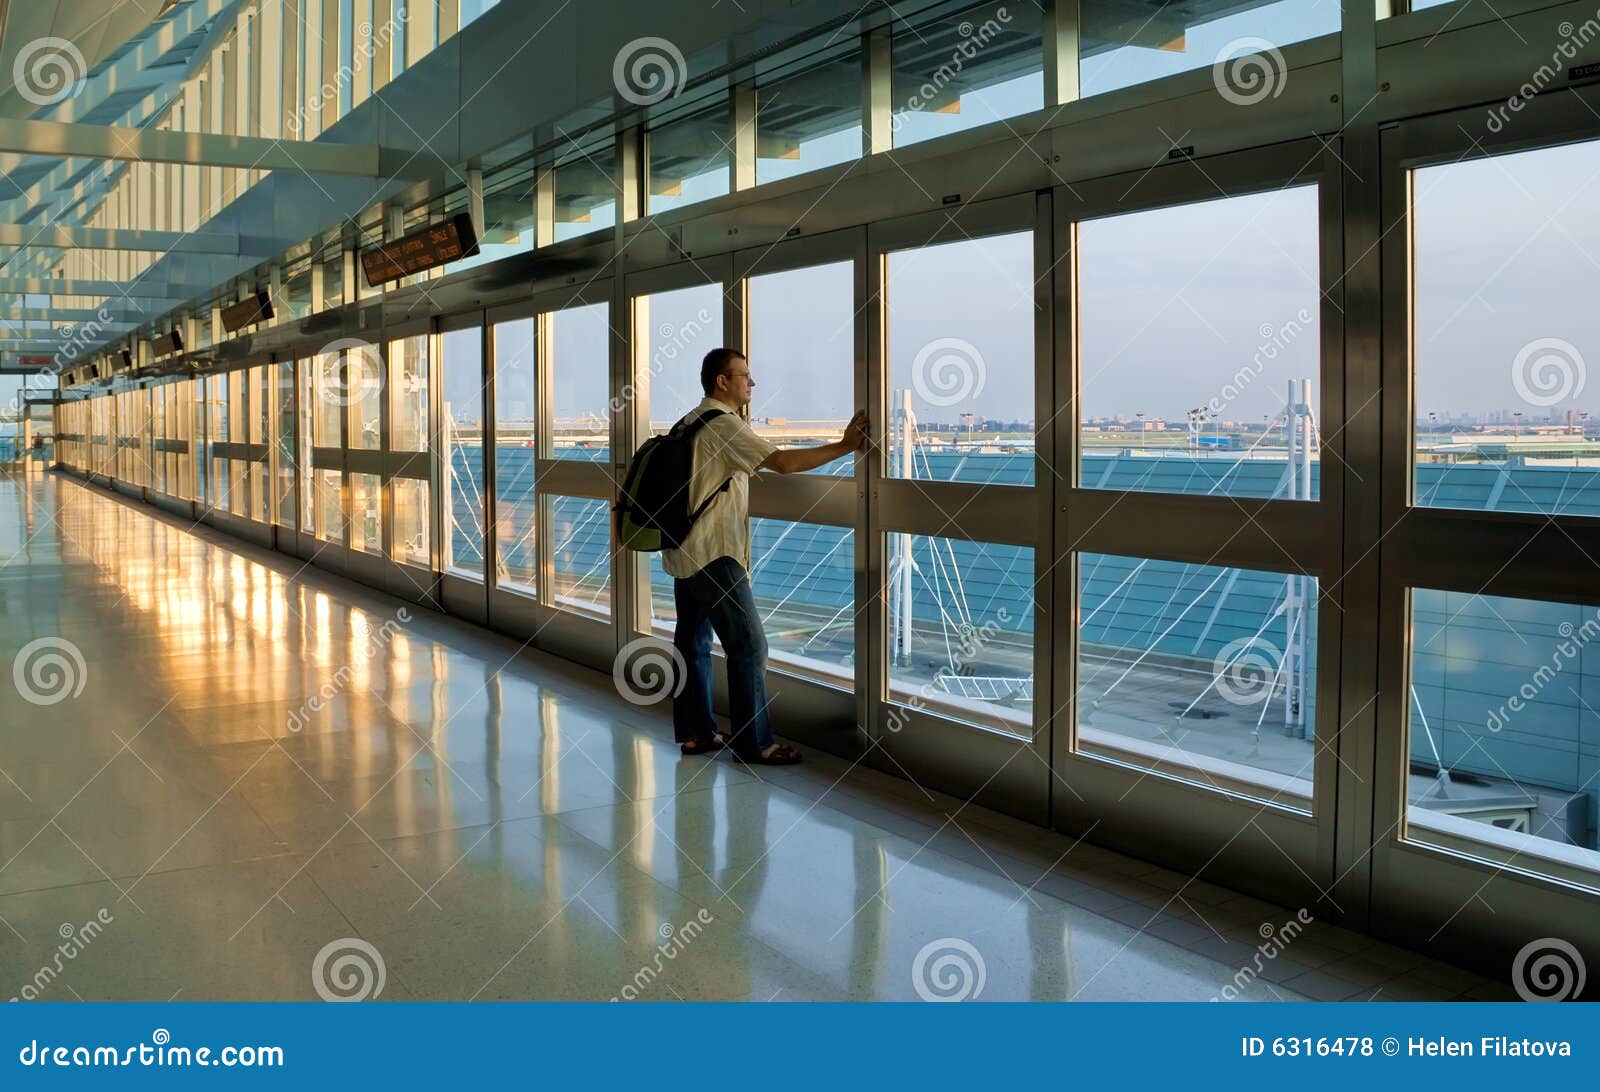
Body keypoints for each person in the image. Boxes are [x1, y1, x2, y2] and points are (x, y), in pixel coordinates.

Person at [667, 347, 867, 764]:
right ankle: (755, 743)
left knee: (692, 643)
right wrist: (846, 445)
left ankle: (697, 734)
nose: (752, 383)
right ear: (722, 381)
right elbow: (784, 463)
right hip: (714, 553)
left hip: (682, 550)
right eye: (744, 375)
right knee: (750, 646)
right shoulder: (723, 424)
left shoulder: (688, 421)